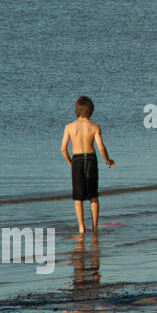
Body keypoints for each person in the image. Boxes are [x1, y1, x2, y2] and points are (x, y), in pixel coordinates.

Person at [62, 96, 114, 233]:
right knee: (93, 195)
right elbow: (101, 147)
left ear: (76, 110)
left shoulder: (69, 127)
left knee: (78, 197)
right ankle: (95, 226)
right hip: (91, 159)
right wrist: (108, 160)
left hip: (77, 160)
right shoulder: (95, 127)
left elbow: (63, 149)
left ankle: (81, 227)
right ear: (91, 111)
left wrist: (70, 163)